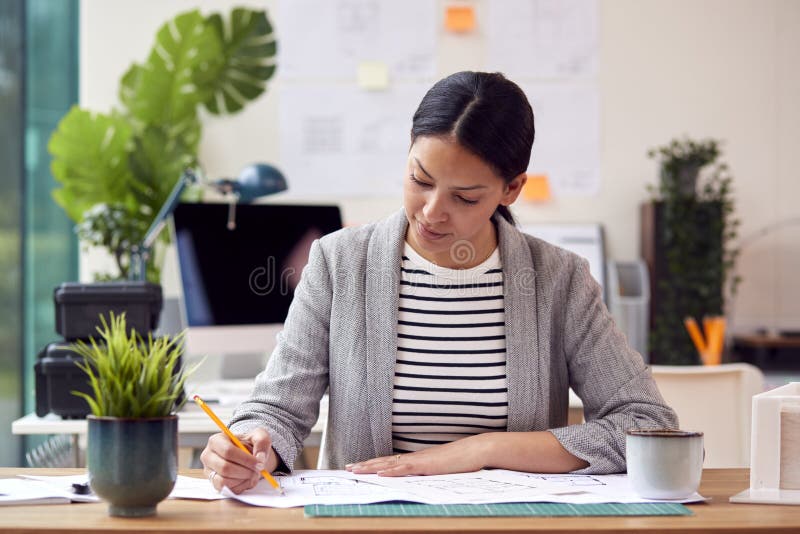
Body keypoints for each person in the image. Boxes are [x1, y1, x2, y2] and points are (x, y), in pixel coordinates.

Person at [200, 71, 678, 494]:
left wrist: (480, 450)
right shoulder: (338, 263)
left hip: (512, 525)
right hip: (371, 523)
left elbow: (647, 425)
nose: (432, 212)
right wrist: (249, 445)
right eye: (420, 179)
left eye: (465, 197)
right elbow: (277, 411)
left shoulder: (559, 280)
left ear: (511, 188)